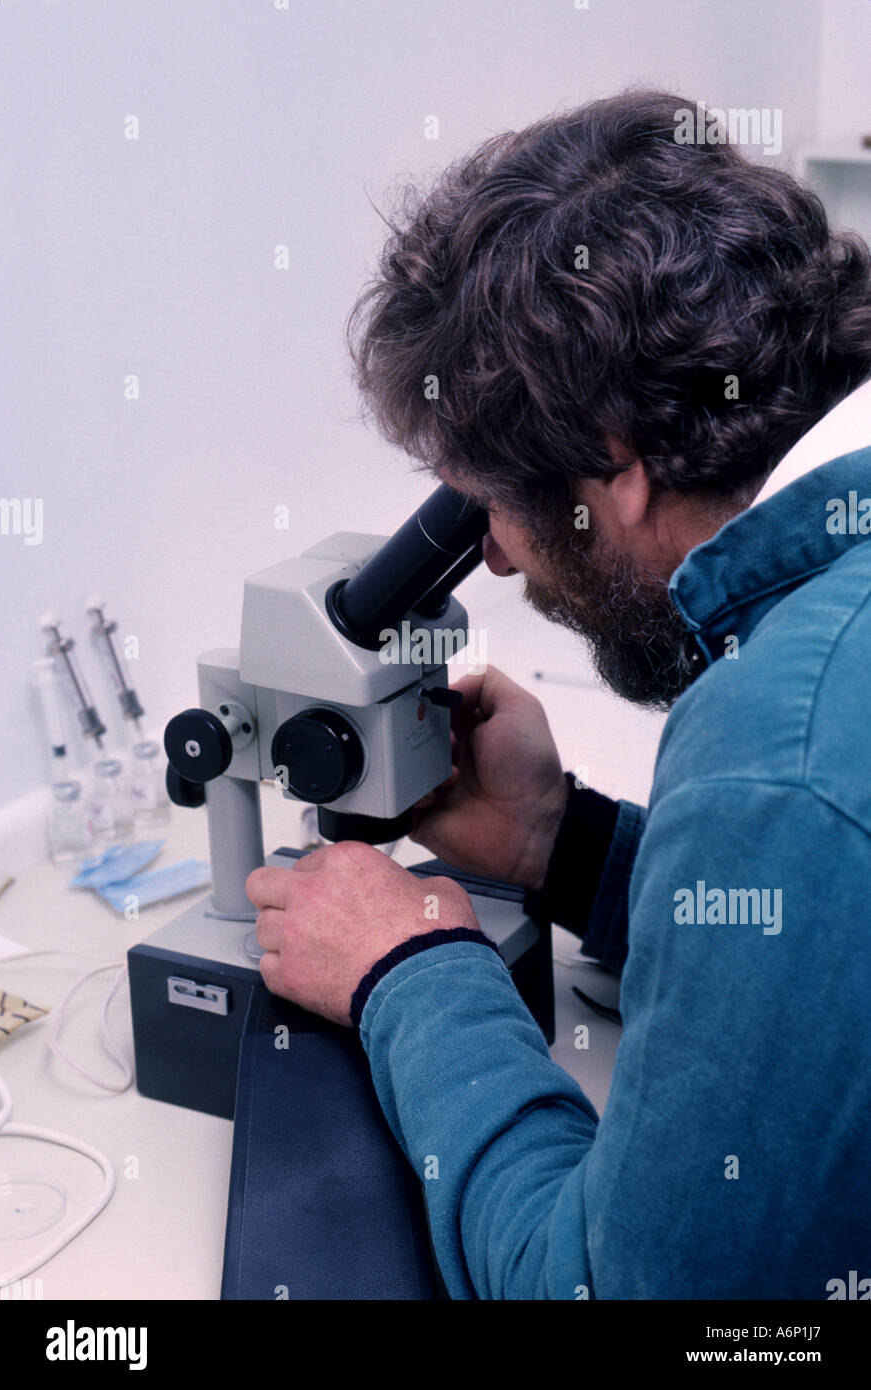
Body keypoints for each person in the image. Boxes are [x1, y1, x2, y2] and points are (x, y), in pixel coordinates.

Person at [247, 91, 871, 1299]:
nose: (487, 554)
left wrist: (406, 974)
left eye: (487, 502)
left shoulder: (775, 748)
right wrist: (566, 844)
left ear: (615, 465)